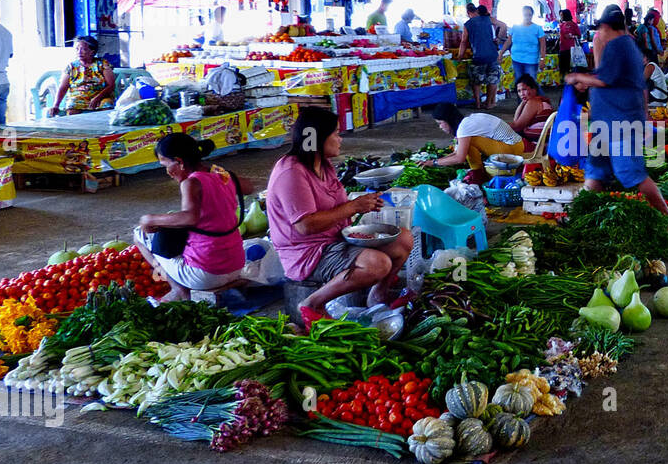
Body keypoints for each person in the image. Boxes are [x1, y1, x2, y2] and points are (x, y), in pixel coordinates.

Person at [266, 108, 414, 315]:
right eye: (335, 133)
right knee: (378, 264)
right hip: (309, 252)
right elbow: (305, 225)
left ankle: (378, 293)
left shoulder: (323, 165)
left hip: (337, 239)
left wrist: (365, 204)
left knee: (404, 239)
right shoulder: (291, 172)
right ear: (317, 137)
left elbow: (337, 205)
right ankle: (311, 304)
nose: (340, 139)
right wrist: (353, 207)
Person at [563, 4, 668, 230]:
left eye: (600, 30)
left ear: (607, 27)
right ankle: (578, 215)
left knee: (633, 173)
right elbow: (614, 79)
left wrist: (578, 76)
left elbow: (606, 80)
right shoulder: (626, 46)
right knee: (596, 172)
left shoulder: (619, 46)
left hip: (620, 123)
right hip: (607, 121)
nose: (599, 34)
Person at [133, 134, 251, 301]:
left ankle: (178, 290)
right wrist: (224, 179)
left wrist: (149, 219)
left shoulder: (190, 183)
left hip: (205, 274)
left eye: (165, 165)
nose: (167, 172)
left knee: (139, 235)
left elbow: (190, 218)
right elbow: (248, 187)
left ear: (179, 162)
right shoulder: (219, 173)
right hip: (236, 264)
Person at [428, 102, 524, 182]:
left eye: (440, 123)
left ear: (448, 119)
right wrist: (434, 162)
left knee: (469, 142)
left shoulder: (464, 128)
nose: (440, 127)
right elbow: (456, 153)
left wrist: (434, 163)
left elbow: (459, 158)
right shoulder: (468, 121)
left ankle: (477, 175)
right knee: (466, 142)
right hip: (517, 145)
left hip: (511, 150)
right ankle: (479, 173)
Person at [50, 35, 115, 116]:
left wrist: (97, 98)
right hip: (78, 97)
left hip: (101, 97)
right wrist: (56, 105)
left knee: (107, 106)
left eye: (83, 49)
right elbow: (63, 88)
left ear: (92, 51)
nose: (79, 52)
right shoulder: (72, 67)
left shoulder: (102, 64)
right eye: (77, 49)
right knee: (72, 108)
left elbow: (111, 85)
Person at [459, 4, 503, 109]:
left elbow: (464, 42)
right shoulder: (488, 19)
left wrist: (460, 56)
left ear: (468, 13)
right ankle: (488, 104)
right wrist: (499, 38)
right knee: (492, 80)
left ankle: (478, 104)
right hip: (492, 55)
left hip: (478, 56)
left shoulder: (468, 24)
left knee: (476, 81)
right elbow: (503, 25)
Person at [503, 5, 545, 82]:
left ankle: (535, 94)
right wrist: (501, 52)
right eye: (525, 14)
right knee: (519, 82)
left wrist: (542, 58)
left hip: (531, 60)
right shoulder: (515, 27)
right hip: (516, 59)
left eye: (530, 15)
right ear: (522, 15)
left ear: (532, 15)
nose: (527, 17)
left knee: (531, 83)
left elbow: (542, 45)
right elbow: (508, 41)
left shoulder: (538, 28)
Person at [509, 74, 554, 141]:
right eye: (519, 91)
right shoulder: (542, 100)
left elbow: (517, 127)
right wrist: (522, 103)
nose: (522, 94)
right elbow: (516, 122)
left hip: (537, 144)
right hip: (541, 140)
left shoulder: (533, 102)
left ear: (534, 89)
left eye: (524, 89)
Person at [557, 9, 581, 75]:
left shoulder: (573, 25)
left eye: (562, 15)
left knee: (570, 68)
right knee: (563, 69)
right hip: (563, 49)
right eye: (560, 15)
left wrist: (572, 36)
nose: (561, 17)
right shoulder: (561, 25)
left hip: (571, 49)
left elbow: (579, 36)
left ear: (565, 15)